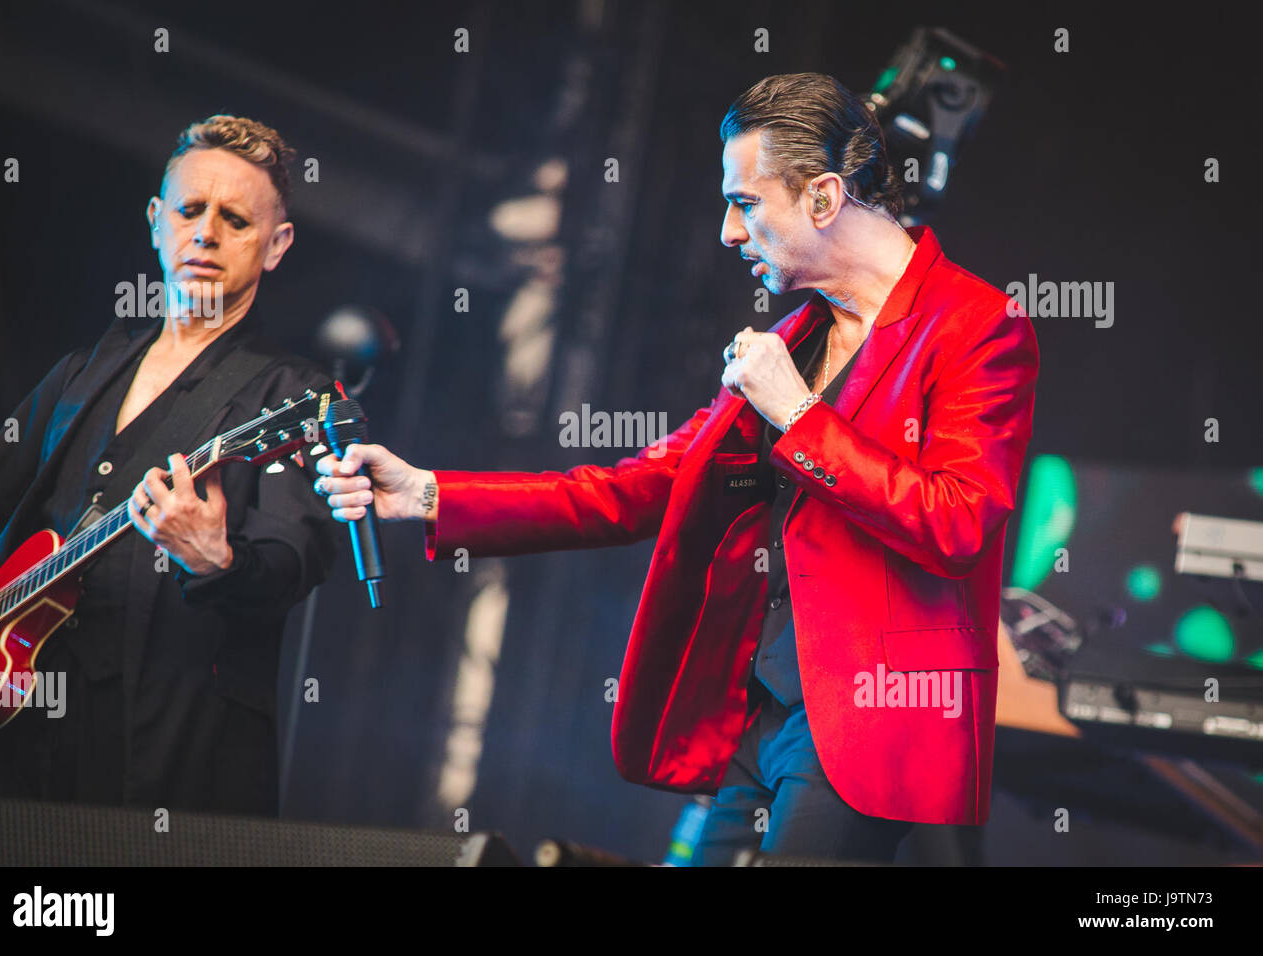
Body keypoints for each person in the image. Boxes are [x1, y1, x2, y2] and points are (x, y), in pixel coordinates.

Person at [315, 73, 1039, 863]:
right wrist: (429, 494)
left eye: (747, 202)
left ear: (826, 198)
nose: (729, 231)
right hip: (762, 718)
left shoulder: (975, 326)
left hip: (870, 718)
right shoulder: (797, 336)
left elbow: (957, 520)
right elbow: (637, 489)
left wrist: (797, 415)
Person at [0, 115, 336, 815]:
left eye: (235, 219)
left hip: (165, 765)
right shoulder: (83, 373)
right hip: (8, 754)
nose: (207, 234)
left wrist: (217, 558)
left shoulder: (293, 396)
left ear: (276, 244)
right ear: (155, 220)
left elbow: (295, 559)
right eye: (191, 210)